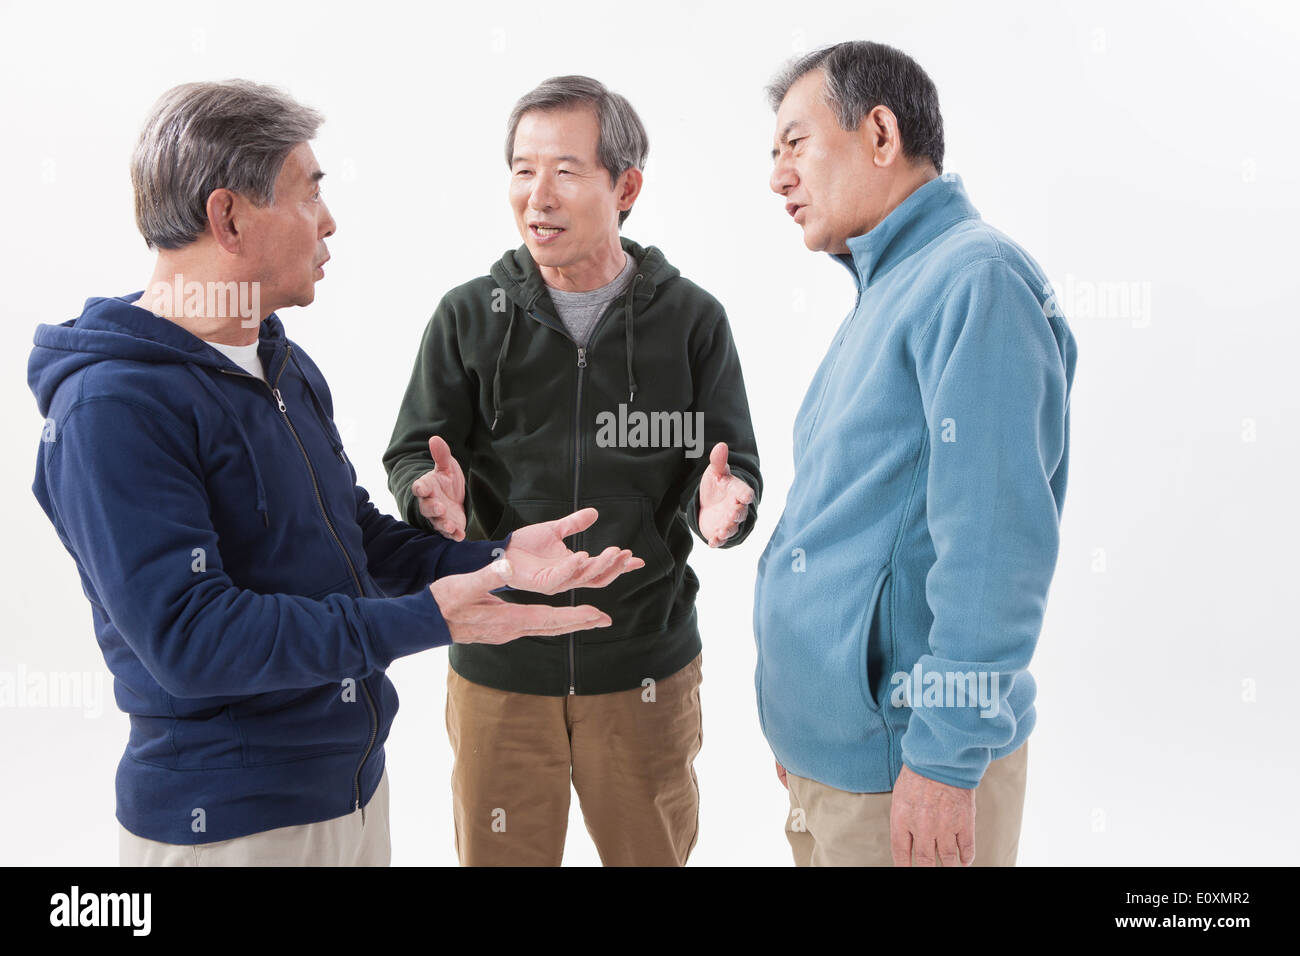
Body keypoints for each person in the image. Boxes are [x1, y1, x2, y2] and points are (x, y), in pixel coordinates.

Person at [27, 79, 640, 867]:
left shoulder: (279, 362)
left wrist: (498, 562)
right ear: (229, 216)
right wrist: (432, 617)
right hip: (233, 828)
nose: (329, 220)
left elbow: (358, 543)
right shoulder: (112, 408)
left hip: (351, 795)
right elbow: (190, 639)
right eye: (309, 192)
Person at [384, 75, 762, 866]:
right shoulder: (468, 315)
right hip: (499, 663)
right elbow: (416, 452)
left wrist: (723, 505)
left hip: (643, 668)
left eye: (564, 170)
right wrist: (429, 497)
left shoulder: (692, 320)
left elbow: (723, 467)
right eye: (522, 170)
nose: (537, 195)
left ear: (626, 186)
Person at [754, 41, 1078, 867]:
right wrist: (810, 725)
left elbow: (994, 549)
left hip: (908, 769)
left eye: (795, 143)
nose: (778, 177)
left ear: (881, 132)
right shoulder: (890, 290)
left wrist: (943, 757)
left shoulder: (976, 281)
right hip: (839, 767)